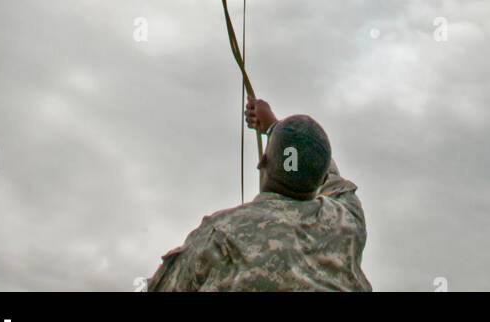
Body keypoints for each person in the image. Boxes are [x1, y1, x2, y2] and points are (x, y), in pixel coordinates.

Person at [143, 96, 372, 292]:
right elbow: (330, 175)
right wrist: (274, 128)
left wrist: (275, 132)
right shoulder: (347, 222)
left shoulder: (220, 234)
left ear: (262, 161)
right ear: (322, 180)